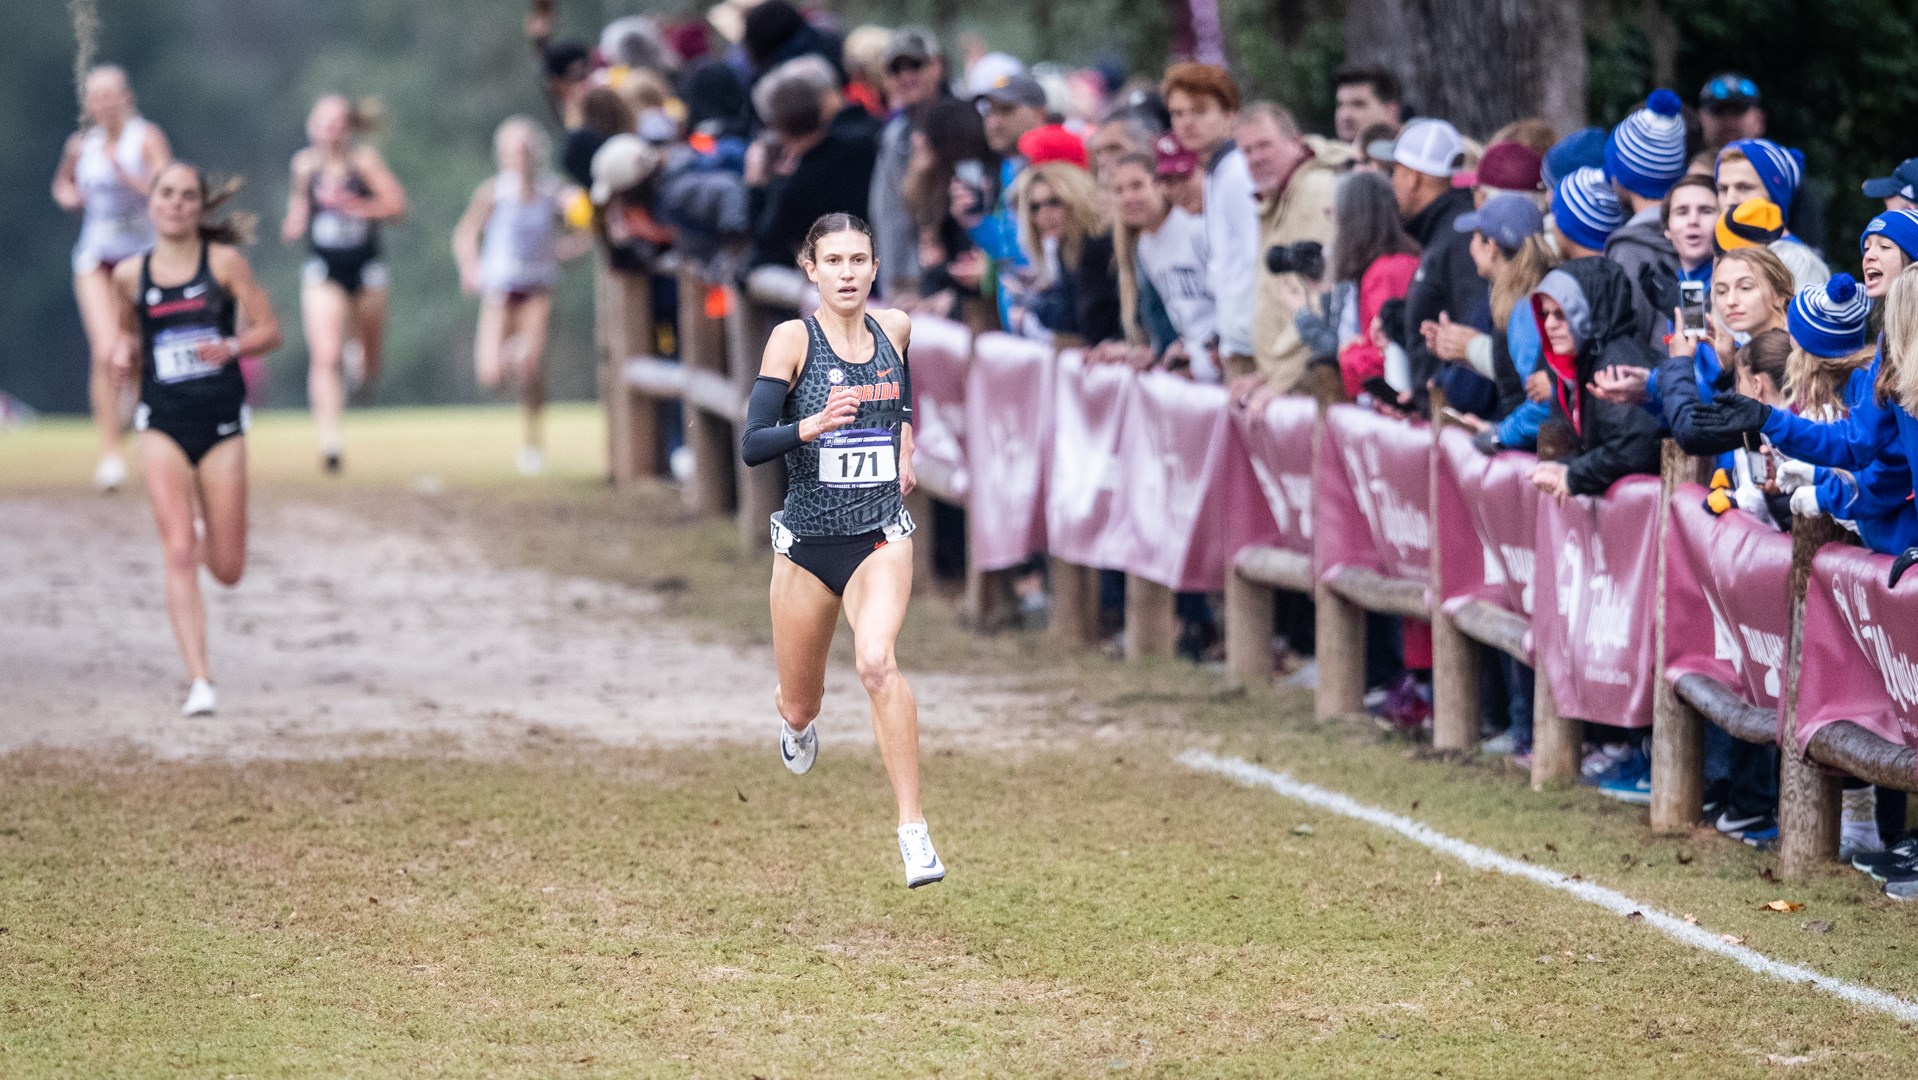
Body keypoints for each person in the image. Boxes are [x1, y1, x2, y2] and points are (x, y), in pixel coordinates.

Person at [739, 213, 944, 888]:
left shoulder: (897, 328)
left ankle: (913, 831)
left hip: (880, 536)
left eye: (859, 260)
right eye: (834, 261)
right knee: (802, 704)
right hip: (806, 546)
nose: (848, 273)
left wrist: (905, 438)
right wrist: (812, 425)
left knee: (878, 662)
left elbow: (902, 390)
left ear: (875, 268)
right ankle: (794, 723)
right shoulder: (792, 340)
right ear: (812, 270)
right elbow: (752, 443)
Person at [107, 163, 282, 716]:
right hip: (161, 421)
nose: (177, 204)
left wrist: (233, 348)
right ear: (151, 203)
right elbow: (127, 336)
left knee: (227, 569)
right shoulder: (130, 276)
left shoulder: (225, 264)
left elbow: (270, 331)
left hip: (222, 423)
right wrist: (121, 355)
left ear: (199, 208)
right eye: (167, 194)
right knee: (179, 551)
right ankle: (200, 680)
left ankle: (212, 527)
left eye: (188, 197)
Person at [52, 65, 173, 492]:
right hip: (95, 258)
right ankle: (109, 454)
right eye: (96, 96)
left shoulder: (147, 137)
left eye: (111, 95)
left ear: (128, 97)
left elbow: (170, 192)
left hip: (141, 258)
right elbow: (63, 186)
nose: (104, 103)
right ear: (88, 104)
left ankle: (143, 431)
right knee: (106, 351)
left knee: (138, 349)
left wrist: (127, 176)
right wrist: (71, 197)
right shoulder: (80, 146)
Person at [453, 117, 587, 476]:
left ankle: (532, 442)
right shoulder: (494, 193)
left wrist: (571, 247)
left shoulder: (553, 192)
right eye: (514, 150)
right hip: (500, 288)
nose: (522, 156)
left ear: (537, 152)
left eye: (527, 148)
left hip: (537, 289)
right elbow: (465, 233)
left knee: (531, 369)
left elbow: (584, 229)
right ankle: (510, 355)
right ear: (503, 156)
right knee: (491, 375)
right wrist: (470, 267)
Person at [281, 95, 407, 474]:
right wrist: (296, 222)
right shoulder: (305, 166)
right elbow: (298, 211)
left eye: (337, 123)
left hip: (366, 268)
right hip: (323, 268)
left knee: (369, 364)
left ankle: (362, 368)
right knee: (326, 354)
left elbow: (398, 207)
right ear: (311, 128)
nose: (330, 131)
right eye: (323, 123)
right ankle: (330, 439)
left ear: (348, 127)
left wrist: (360, 209)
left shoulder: (364, 162)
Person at [1525, 257, 1663, 500]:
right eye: (1545, 314)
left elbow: (1635, 447)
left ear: (1589, 314)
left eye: (1561, 314)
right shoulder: (1583, 362)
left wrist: (1574, 476)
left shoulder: (1618, 363)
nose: (1549, 325)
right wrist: (1567, 467)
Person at [1239, 101, 1350, 393]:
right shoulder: (1278, 195)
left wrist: (1280, 382)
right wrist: (1266, 375)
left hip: (1312, 381)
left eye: (1264, 145)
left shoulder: (1314, 189)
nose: (1255, 158)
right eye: (1247, 151)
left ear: (1296, 142)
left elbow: (1316, 301)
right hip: (1292, 381)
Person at [1374, 118, 1484, 411]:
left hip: (1461, 428)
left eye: (1395, 171)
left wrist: (1442, 394)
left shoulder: (1458, 236)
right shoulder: (1442, 232)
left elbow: (1474, 329)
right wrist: (1394, 318)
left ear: (1413, 178)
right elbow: (1436, 322)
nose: (1392, 181)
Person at [1161, 62, 1260, 377]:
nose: (1186, 123)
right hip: (1234, 343)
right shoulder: (1217, 173)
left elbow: (1254, 261)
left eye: (1200, 111)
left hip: (1252, 347)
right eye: (1177, 114)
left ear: (1229, 114)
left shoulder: (1238, 173)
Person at [746, 56, 881, 269]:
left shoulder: (795, 185)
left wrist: (756, 185)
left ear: (777, 127)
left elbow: (765, 237)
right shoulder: (862, 146)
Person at [1293, 171, 1417, 399]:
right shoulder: (1376, 268)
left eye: (1335, 215)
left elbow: (1386, 353)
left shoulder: (1386, 271)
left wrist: (1345, 356)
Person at [948, 70, 1048, 327]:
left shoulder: (1051, 169)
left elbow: (1037, 259)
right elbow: (1010, 250)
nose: (994, 121)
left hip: (1047, 328)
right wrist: (975, 222)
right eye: (988, 112)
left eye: (1006, 110)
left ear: (1039, 114)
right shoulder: (1009, 168)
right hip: (1018, 325)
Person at [1602, 90, 1688, 344]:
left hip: (1649, 381)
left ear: (1621, 176)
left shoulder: (1630, 250)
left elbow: (1627, 337)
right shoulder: (1696, 237)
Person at [1005, 160, 1121, 346]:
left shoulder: (1098, 244)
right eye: (1035, 207)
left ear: (1076, 199)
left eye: (1054, 202)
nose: (1044, 214)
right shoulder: (1066, 249)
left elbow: (1092, 323)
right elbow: (1068, 319)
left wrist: (1031, 302)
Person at [868, 28, 946, 302]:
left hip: (937, 288)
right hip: (898, 285)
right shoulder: (894, 133)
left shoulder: (957, 125)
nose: (905, 76)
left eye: (915, 65)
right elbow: (887, 213)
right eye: (895, 69)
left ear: (937, 66)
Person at [1106, 150, 1202, 363]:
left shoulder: (1195, 227)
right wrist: (1155, 352)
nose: (1128, 198)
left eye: (1137, 186)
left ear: (1160, 185)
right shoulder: (1143, 247)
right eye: (1119, 191)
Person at [1714, 140, 1828, 287]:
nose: (1730, 200)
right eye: (1723, 189)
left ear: (1776, 196)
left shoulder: (1800, 263)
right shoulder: (1720, 253)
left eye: (1744, 188)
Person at [1331, 67, 1403, 144]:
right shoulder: (1322, 153)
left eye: (1358, 104)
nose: (1345, 116)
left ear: (1390, 112)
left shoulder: (1410, 153)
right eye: (1340, 105)